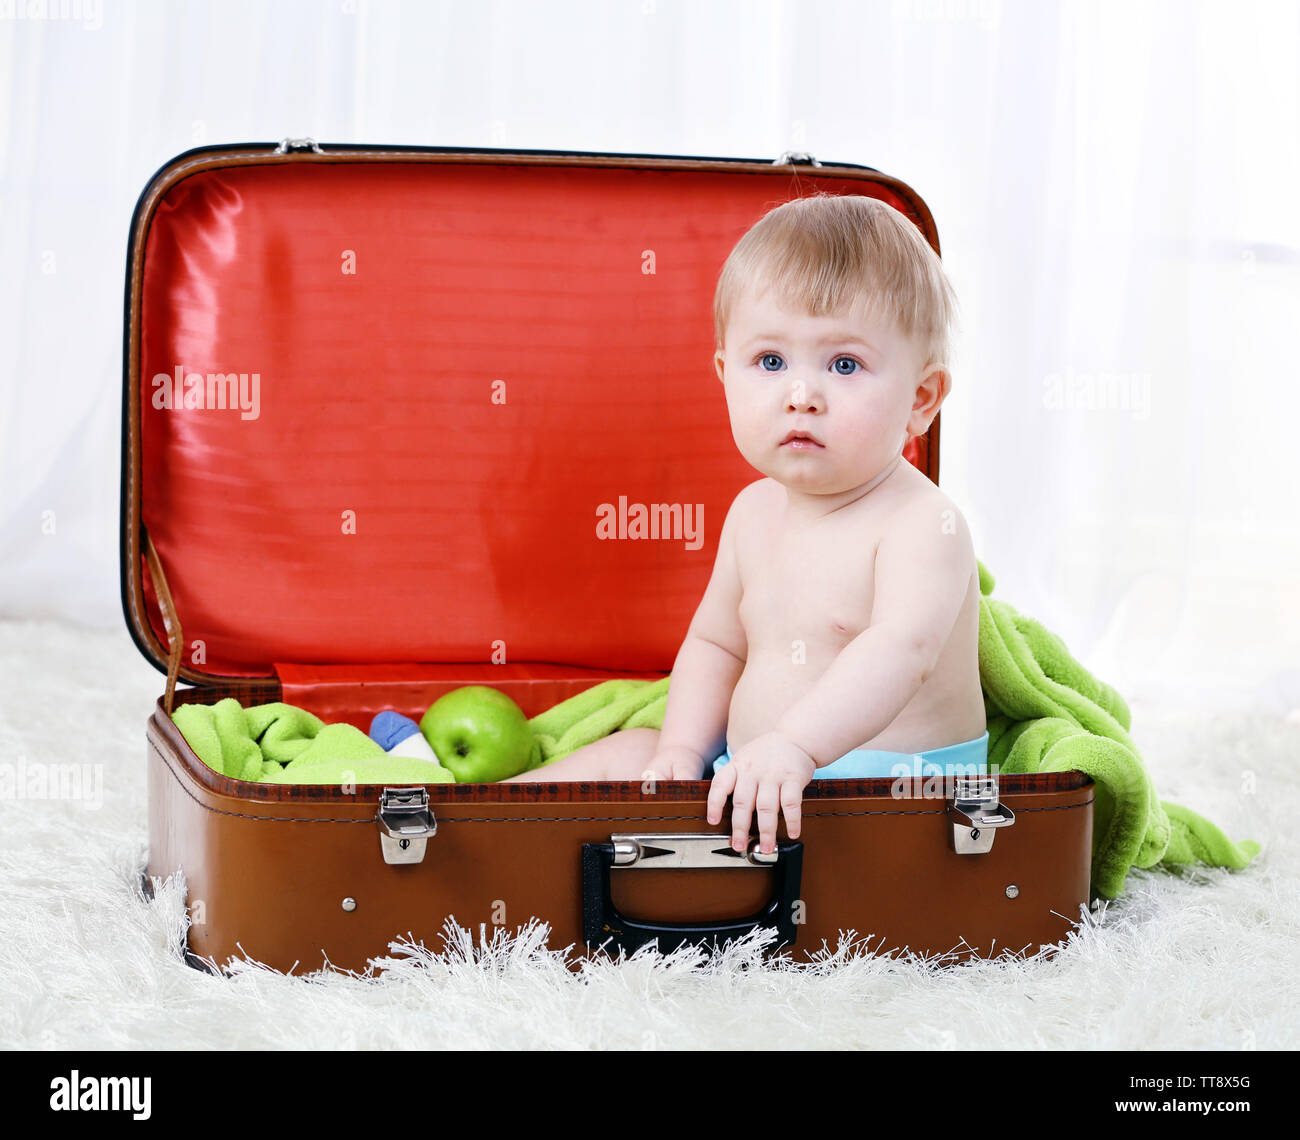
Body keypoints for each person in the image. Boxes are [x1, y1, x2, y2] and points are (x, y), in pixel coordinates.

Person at [508, 193, 987, 859]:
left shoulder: (921, 523)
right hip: (747, 770)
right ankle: (476, 824)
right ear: (725, 373)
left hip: (885, 790)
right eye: (770, 362)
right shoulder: (752, 512)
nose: (801, 393)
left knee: (839, 841)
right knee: (632, 752)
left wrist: (796, 746)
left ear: (921, 399)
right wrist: (681, 751)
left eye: (844, 365)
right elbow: (716, 644)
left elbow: (900, 651)